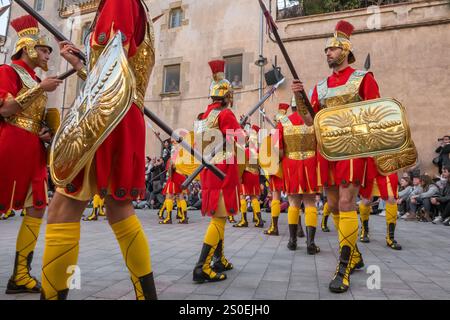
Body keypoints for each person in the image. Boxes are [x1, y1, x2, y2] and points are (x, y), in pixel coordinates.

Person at [40, 0, 157, 300]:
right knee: (119, 209)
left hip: (106, 116)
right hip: (125, 114)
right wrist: (80, 64)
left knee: (62, 210)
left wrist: (85, 65)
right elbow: (111, 70)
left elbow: (109, 73)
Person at [293, 20, 380, 293]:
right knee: (332, 203)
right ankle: (353, 254)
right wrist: (299, 97)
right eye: (326, 50)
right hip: (327, 151)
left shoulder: (363, 78)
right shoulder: (321, 86)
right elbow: (310, 120)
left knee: (346, 202)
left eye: (332, 49)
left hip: (353, 149)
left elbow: (376, 114)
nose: (327, 53)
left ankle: (342, 269)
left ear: (345, 49)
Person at [0, 15, 65, 294]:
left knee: (38, 206)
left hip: (33, 147)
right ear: (27, 48)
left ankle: (21, 275)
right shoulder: (8, 70)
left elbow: (31, 117)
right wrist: (40, 88)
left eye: (49, 49)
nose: (47, 53)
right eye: (43, 48)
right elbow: (5, 110)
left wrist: (45, 131)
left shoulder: (36, 78)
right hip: (10, 143)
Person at [192, 60, 242, 283]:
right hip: (222, 169)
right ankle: (202, 267)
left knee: (217, 215)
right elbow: (238, 140)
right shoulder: (225, 114)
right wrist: (244, 131)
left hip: (208, 171)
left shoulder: (201, 118)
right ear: (227, 95)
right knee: (219, 219)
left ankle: (219, 258)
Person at [276, 98, 320, 254]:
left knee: (293, 202)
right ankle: (310, 243)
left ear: (292, 106)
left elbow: (279, 151)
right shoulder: (314, 120)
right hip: (310, 163)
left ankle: (292, 241)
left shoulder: (282, 122)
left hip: (291, 164)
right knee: (310, 203)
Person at [359, 159, 403, 250]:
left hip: (388, 165)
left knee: (391, 199)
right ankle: (364, 230)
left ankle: (390, 238)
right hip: (370, 166)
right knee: (367, 201)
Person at [263, 103, 289, 236]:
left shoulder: (277, 129)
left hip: (278, 167)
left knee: (276, 196)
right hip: (291, 166)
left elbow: (276, 151)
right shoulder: (290, 126)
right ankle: (299, 229)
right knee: (295, 198)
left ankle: (274, 227)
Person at [234, 125, 264, 228]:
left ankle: (244, 220)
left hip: (246, 174)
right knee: (254, 196)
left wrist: (239, 176)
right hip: (255, 174)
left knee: (242, 195)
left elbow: (240, 166)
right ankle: (259, 219)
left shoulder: (244, 150)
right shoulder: (256, 150)